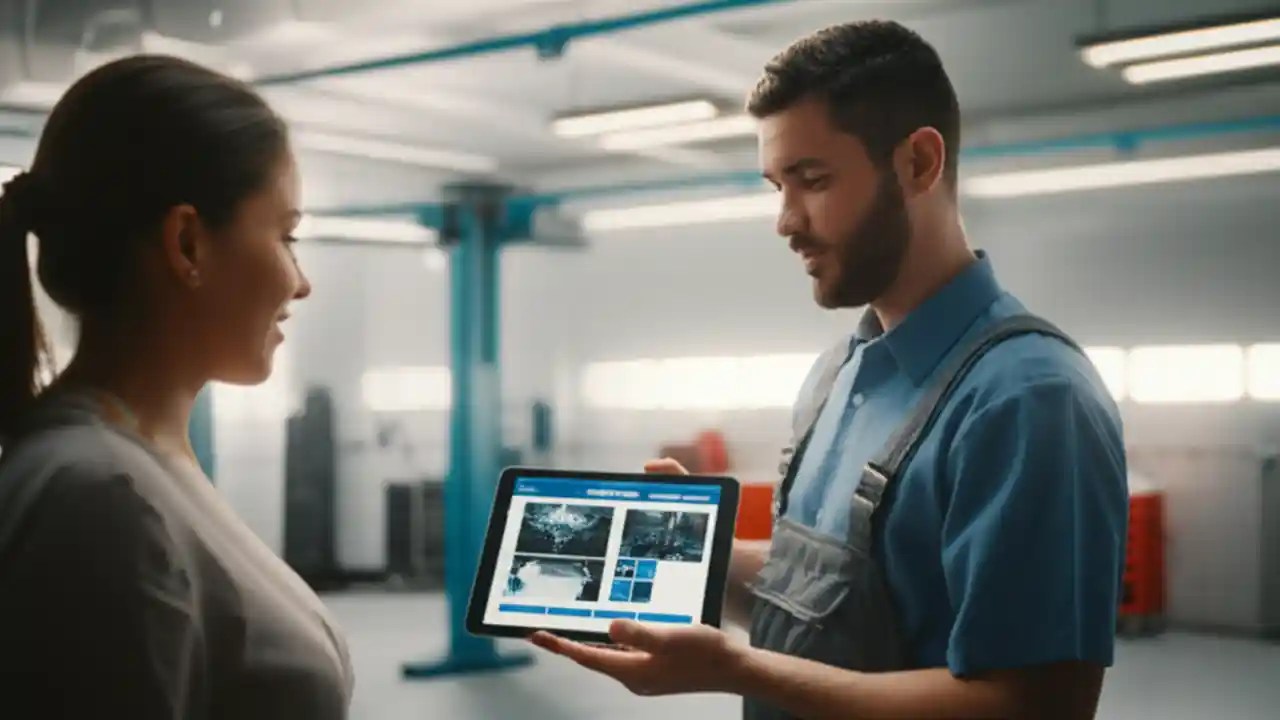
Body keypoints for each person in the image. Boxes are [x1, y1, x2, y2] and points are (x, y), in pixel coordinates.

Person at [531, 20, 1127, 720]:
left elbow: (1032, 706)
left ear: (918, 164)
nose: (785, 221)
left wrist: (741, 669)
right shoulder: (835, 377)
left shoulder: (1028, 401)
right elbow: (821, 605)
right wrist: (705, 549)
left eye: (811, 180)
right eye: (776, 185)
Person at [0, 55, 353, 718]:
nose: (300, 281)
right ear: (187, 243)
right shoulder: (103, 499)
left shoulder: (131, 466)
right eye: (286, 235)